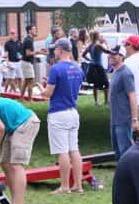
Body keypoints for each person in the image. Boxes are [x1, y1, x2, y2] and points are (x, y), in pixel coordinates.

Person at [43, 38, 85, 195]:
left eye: (55, 49)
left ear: (61, 50)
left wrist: (42, 88)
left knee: (62, 151)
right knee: (74, 149)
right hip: (73, 111)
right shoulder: (78, 68)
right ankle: (78, 185)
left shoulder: (55, 69)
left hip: (58, 112)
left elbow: (49, 93)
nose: (54, 51)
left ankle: (65, 186)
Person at [107, 45, 137, 160]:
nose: (111, 56)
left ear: (122, 56)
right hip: (115, 118)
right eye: (110, 54)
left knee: (125, 151)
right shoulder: (116, 72)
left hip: (123, 119)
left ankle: (129, 175)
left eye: (114, 54)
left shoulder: (126, 73)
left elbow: (132, 96)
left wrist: (134, 119)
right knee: (118, 151)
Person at [85, 30, 109, 105]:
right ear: (97, 36)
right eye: (99, 35)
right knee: (106, 84)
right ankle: (106, 100)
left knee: (95, 85)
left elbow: (83, 55)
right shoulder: (98, 45)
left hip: (92, 66)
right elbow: (107, 51)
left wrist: (90, 59)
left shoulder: (90, 45)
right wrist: (106, 43)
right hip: (99, 66)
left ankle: (96, 101)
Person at [20, 25, 39, 100]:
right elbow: (28, 53)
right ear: (29, 31)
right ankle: (30, 99)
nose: (35, 31)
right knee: (31, 80)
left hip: (26, 62)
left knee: (26, 81)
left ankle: (21, 98)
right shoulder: (28, 40)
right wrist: (37, 52)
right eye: (34, 29)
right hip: (27, 62)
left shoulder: (29, 39)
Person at [3, 30, 23, 94]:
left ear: (16, 34)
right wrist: (7, 63)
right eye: (11, 33)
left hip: (18, 62)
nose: (12, 35)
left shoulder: (19, 43)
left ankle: (21, 91)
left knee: (20, 77)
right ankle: (14, 91)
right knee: (11, 78)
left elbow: (21, 52)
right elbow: (6, 54)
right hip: (11, 62)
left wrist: (21, 58)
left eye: (13, 33)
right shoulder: (7, 43)